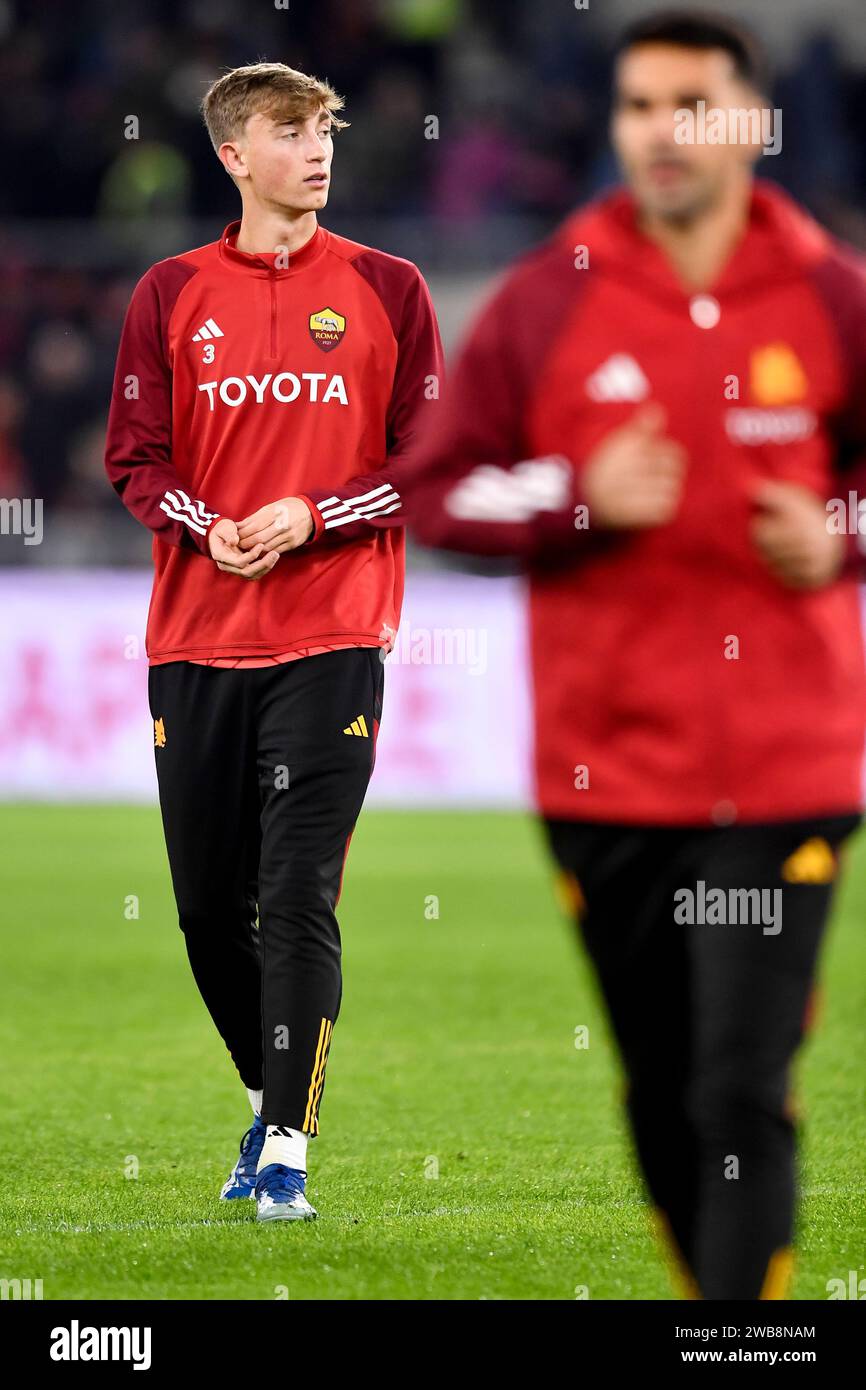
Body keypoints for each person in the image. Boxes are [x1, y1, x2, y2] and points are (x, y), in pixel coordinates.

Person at [406, 11, 866, 1298]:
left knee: (737, 1084)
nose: (660, 134)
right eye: (638, 107)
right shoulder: (551, 296)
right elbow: (433, 492)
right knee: (662, 1090)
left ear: (752, 126)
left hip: (785, 769)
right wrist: (572, 498)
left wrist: (835, 529)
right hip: (604, 774)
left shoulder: (833, 294)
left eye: (691, 105)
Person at [105, 62, 443, 1222]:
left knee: (296, 893)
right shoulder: (168, 292)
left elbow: (425, 462)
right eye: (288, 131)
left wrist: (313, 515)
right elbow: (135, 459)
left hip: (333, 632)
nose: (316, 149)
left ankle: (288, 1150)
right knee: (207, 910)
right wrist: (210, 529)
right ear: (231, 155)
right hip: (196, 639)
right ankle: (268, 1089)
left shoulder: (388, 288)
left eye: (324, 129)